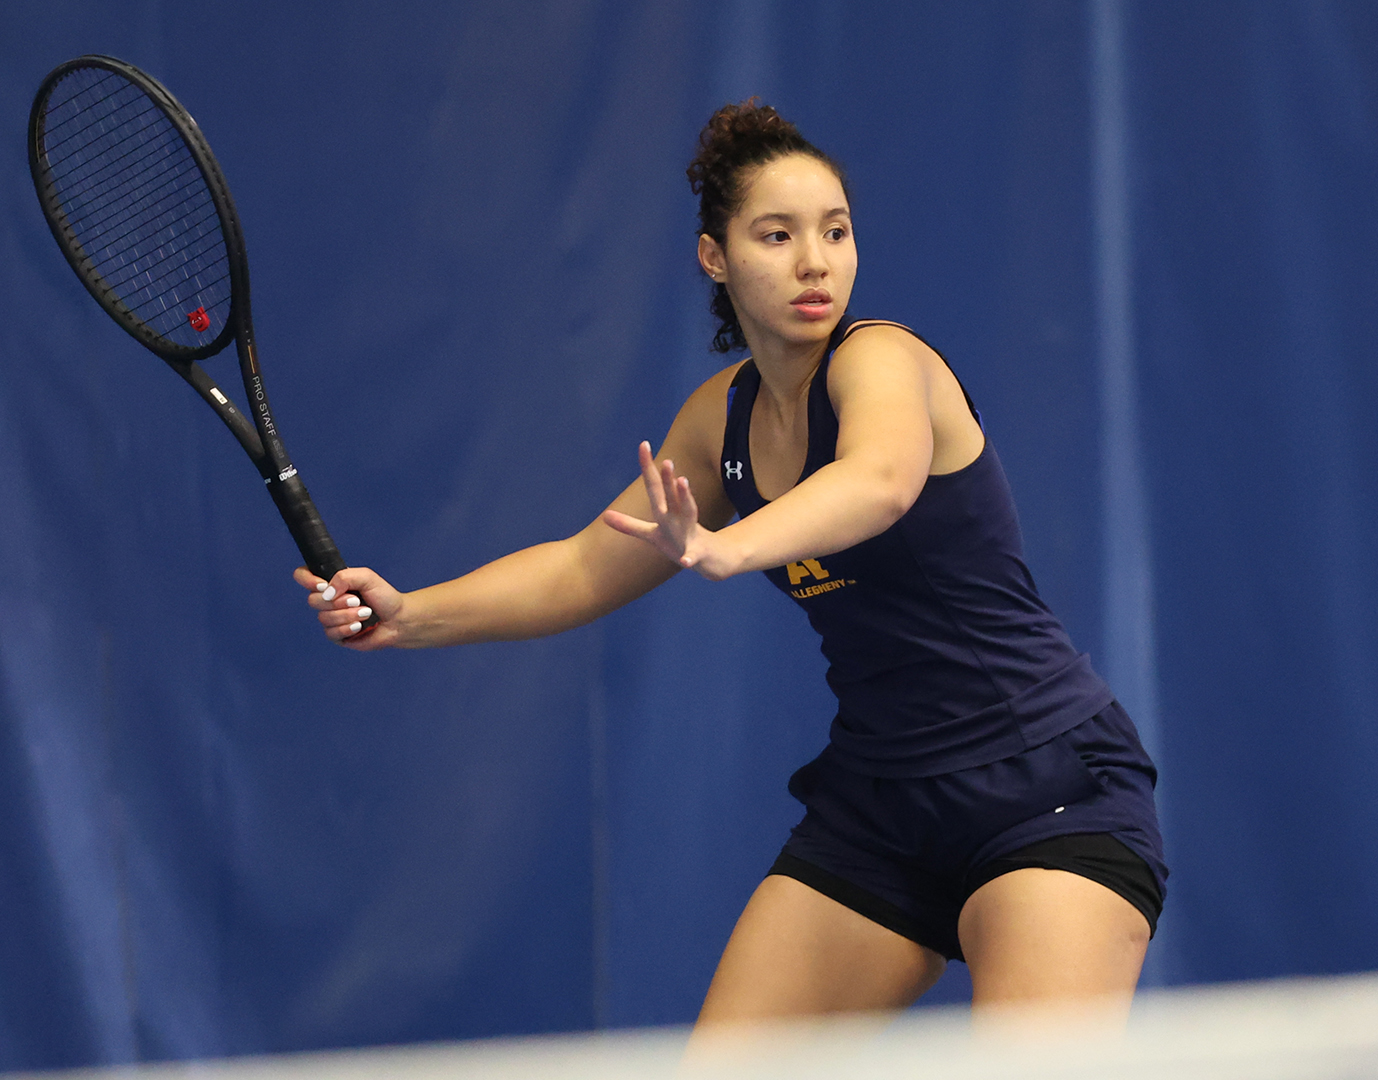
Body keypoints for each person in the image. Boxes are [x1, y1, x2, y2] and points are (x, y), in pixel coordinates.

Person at [297, 101, 1166, 1045]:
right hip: (879, 806)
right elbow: (586, 565)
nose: (815, 262)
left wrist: (730, 546)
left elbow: (875, 482)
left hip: (1046, 789)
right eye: (777, 235)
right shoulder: (721, 421)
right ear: (716, 257)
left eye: (835, 231)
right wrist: (410, 613)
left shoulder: (884, 359)